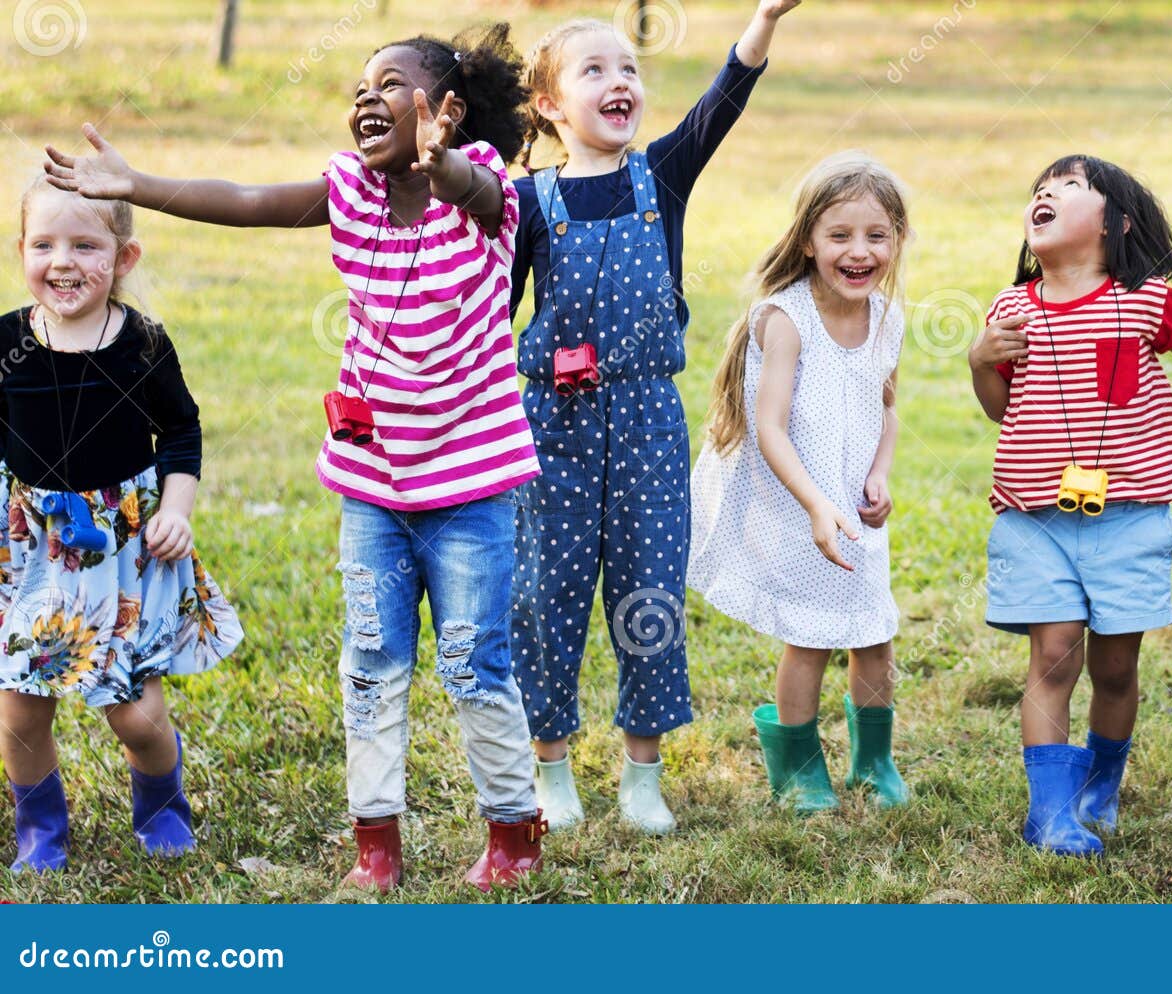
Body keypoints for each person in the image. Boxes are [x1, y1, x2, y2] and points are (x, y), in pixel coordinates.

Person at [44, 24, 546, 892]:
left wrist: (443, 163)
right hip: (374, 493)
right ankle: (375, 843)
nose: (364, 96)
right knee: (370, 661)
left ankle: (513, 833)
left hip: (471, 493)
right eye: (358, 84)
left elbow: (468, 185)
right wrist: (138, 186)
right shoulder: (349, 189)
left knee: (474, 663)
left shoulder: (487, 195)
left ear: (447, 110)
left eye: (389, 83)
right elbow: (244, 197)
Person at [507, 1, 800, 834]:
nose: (619, 81)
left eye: (629, 68)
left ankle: (642, 776)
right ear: (551, 107)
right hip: (550, 425)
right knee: (542, 593)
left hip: (644, 421)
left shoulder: (660, 176)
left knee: (649, 593)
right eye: (593, 71)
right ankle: (551, 769)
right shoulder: (526, 203)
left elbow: (724, 99)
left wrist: (764, 17)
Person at [966, 153, 1172, 857]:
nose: (1045, 194)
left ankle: (1102, 783)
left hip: (1130, 517)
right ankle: (1050, 813)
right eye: (1039, 189)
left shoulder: (1148, 299)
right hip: (1035, 518)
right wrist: (979, 360)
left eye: (1067, 186)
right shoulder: (1011, 308)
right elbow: (1002, 408)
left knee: (1115, 667)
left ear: (1114, 222)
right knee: (1053, 656)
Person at [2, 179, 242, 873]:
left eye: (86, 245)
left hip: (125, 546)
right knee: (19, 711)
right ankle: (40, 828)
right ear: (22, 251)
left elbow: (181, 429)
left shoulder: (141, 342)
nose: (63, 261)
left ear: (125, 256)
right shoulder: (7, 342)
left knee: (135, 713)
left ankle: (162, 807)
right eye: (44, 244)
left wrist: (176, 509)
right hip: (34, 550)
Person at [690, 151, 910, 813]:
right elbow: (771, 429)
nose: (859, 251)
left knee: (874, 631)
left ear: (898, 239)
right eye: (839, 235)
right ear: (808, 240)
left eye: (877, 235)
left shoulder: (886, 319)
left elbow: (887, 408)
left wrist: (877, 474)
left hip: (854, 506)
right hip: (796, 501)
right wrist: (817, 503)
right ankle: (798, 764)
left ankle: (874, 761)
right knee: (810, 634)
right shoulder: (787, 321)